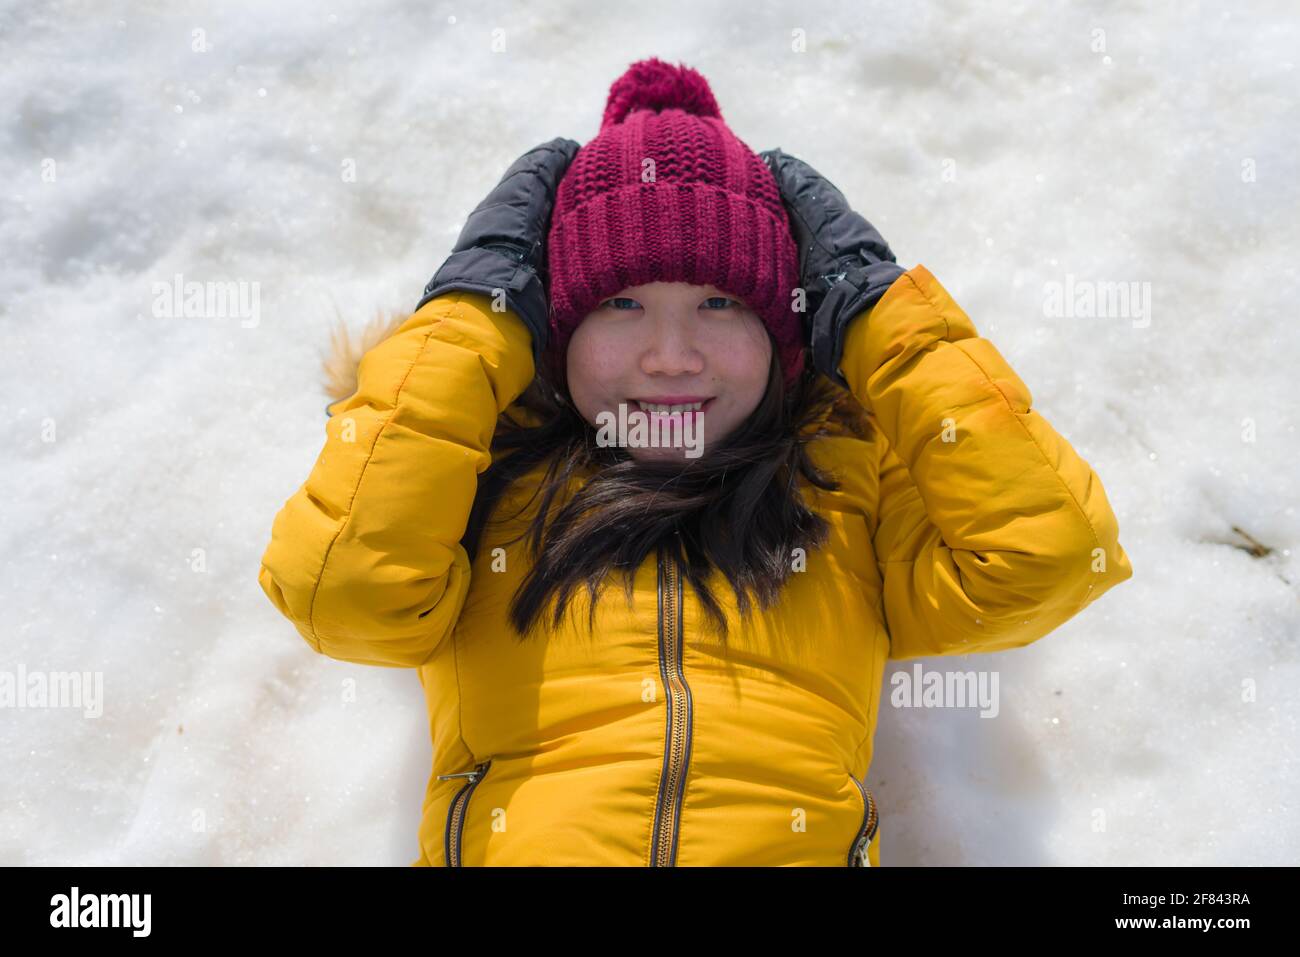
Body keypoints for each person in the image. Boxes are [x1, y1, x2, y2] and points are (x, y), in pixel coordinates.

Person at [258, 57, 1133, 867]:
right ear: (548, 330)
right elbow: (347, 596)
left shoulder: (839, 488)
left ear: (787, 329)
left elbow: (1048, 557)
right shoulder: (484, 478)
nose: (672, 354)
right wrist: (469, 314)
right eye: (623, 303)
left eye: (720, 302)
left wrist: (875, 312)